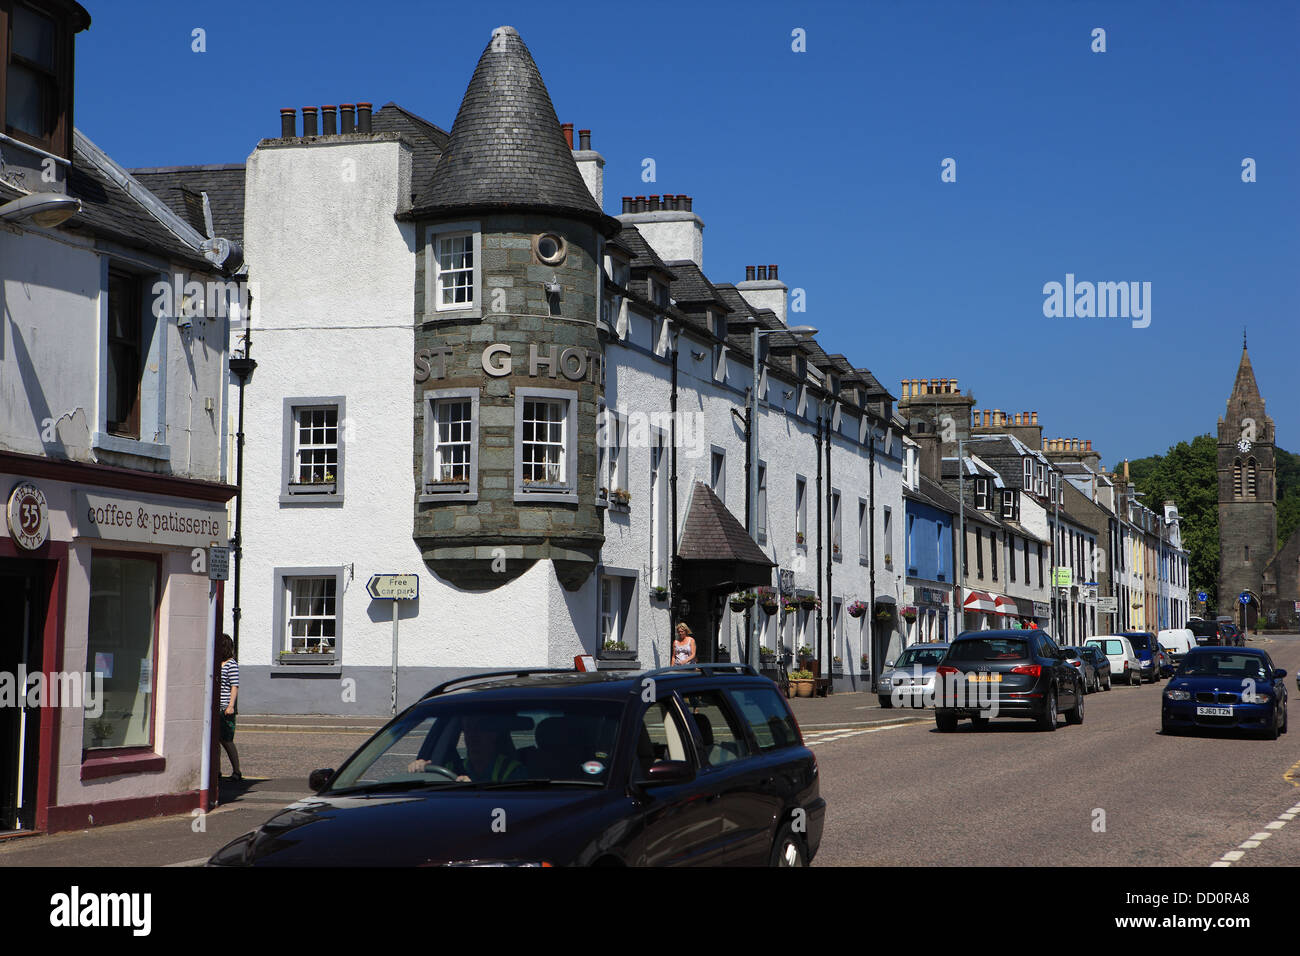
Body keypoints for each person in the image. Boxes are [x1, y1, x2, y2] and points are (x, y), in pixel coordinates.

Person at [408, 716, 525, 782]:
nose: (473, 735)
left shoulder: (512, 771)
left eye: (480, 728)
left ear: (493, 734)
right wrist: (420, 770)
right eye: (468, 728)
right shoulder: (451, 768)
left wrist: (474, 789)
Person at [217, 633, 242, 781]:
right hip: (215, 707)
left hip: (226, 707)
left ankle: (237, 771)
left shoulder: (231, 664)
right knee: (216, 741)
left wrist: (231, 705)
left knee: (227, 740)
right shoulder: (216, 663)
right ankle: (217, 770)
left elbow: (234, 686)